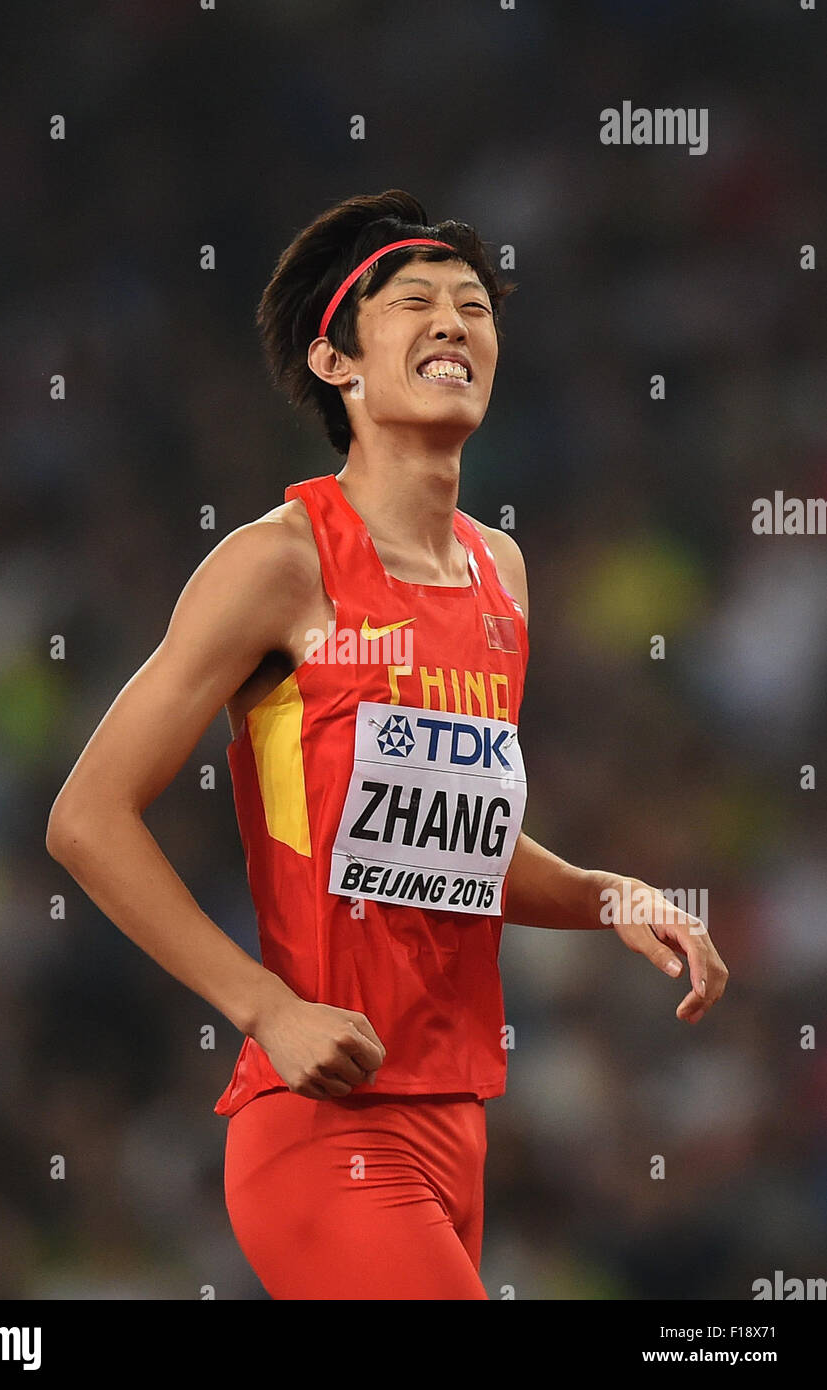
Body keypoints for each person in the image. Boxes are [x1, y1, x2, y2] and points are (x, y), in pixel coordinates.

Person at [46, 189, 729, 1300]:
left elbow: (452, 848)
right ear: (336, 362)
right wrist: (266, 1007)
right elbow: (85, 817)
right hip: (320, 1124)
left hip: (458, 1126)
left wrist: (610, 895)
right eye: (416, 302)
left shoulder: (499, 575)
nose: (455, 322)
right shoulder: (279, 562)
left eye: (474, 306)